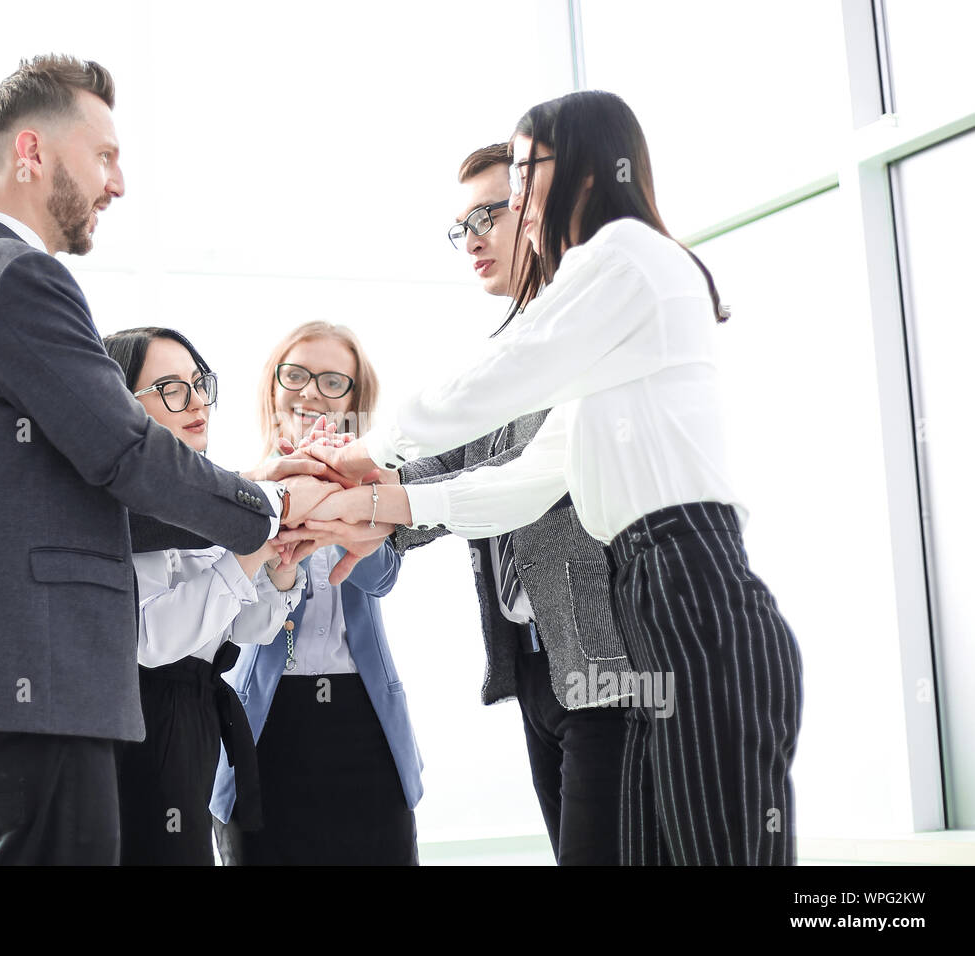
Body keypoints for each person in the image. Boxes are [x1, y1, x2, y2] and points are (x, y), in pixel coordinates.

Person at [301, 91, 804, 866]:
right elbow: (526, 480)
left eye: (526, 173)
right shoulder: (603, 330)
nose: (519, 201)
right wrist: (378, 498)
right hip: (659, 596)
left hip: (690, 589)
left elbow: (501, 380)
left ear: (588, 169)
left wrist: (373, 453)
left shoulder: (619, 259)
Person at [0, 55, 334, 866]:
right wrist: (265, 511)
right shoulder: (20, 276)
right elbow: (126, 453)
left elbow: (61, 498)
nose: (118, 184)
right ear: (32, 153)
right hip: (36, 699)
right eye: (104, 156)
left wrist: (254, 502)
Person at [384, 142, 633, 865]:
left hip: (607, 659)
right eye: (460, 227)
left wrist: (374, 502)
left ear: (538, 213)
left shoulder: (587, 334)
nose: (473, 240)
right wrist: (348, 507)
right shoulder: (509, 351)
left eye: (487, 215)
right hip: (535, 663)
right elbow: (448, 459)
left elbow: (522, 476)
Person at [210, 322, 423, 866]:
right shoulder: (232, 485)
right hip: (266, 717)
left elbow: (380, 578)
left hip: (363, 719)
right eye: (297, 375)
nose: (310, 392)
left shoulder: (378, 482)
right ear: (274, 386)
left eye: (333, 382)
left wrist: (351, 504)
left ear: (355, 398)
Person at [101, 327, 310, 865]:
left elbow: (247, 630)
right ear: (121, 403)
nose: (197, 402)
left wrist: (277, 567)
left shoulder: (208, 502)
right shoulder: (114, 511)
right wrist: (250, 549)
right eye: (171, 388)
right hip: (145, 718)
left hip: (195, 712)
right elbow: (153, 640)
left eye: (199, 383)